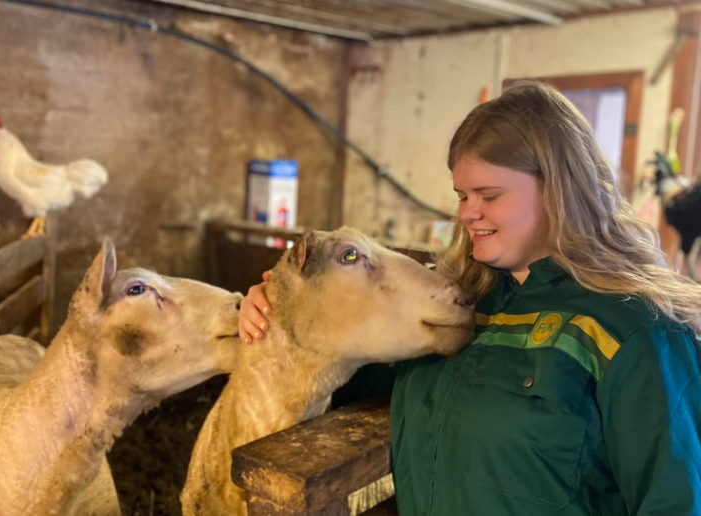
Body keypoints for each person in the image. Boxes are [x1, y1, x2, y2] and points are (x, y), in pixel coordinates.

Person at [237, 81, 701, 515]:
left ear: (560, 189)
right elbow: (343, 371)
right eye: (462, 195)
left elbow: (677, 499)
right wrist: (281, 310)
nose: (467, 213)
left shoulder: (637, 331)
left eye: (489, 194)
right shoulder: (460, 304)